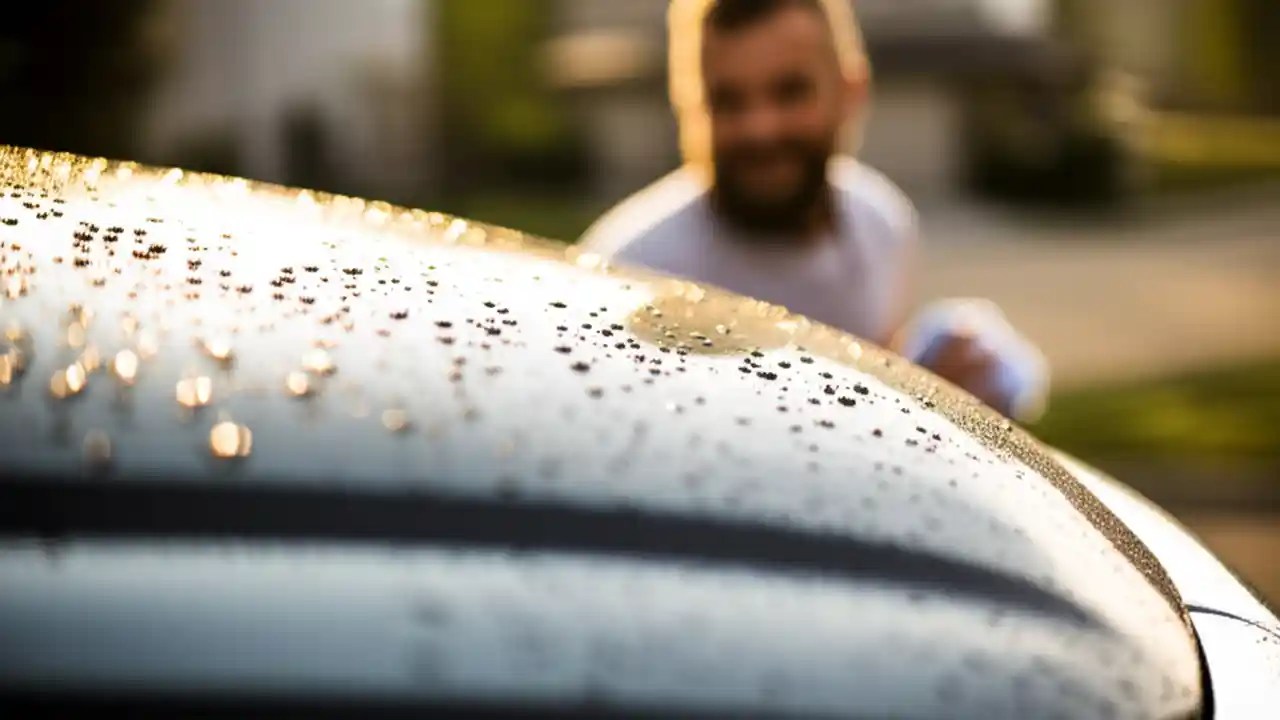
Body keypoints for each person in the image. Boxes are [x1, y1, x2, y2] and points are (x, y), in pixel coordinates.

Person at [580, 0, 1047, 420]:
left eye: (790, 92)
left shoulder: (880, 223)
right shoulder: (628, 270)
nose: (760, 129)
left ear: (850, 93)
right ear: (689, 110)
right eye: (728, 100)